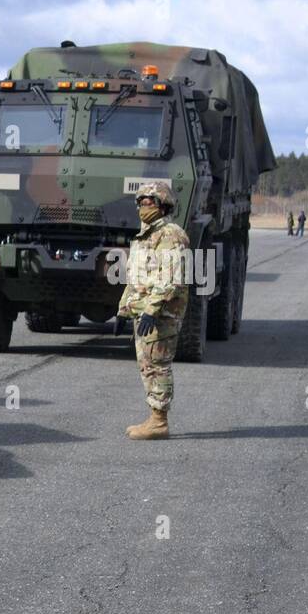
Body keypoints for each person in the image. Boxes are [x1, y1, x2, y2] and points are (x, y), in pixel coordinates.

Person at [118, 181, 190, 440]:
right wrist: (124, 309)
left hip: (163, 314)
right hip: (145, 311)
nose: (143, 207)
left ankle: (159, 422)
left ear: (163, 205)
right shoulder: (145, 235)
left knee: (158, 364)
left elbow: (172, 278)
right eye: (140, 203)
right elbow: (135, 277)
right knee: (147, 364)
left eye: (149, 202)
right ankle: (154, 417)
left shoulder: (171, 234)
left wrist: (152, 309)